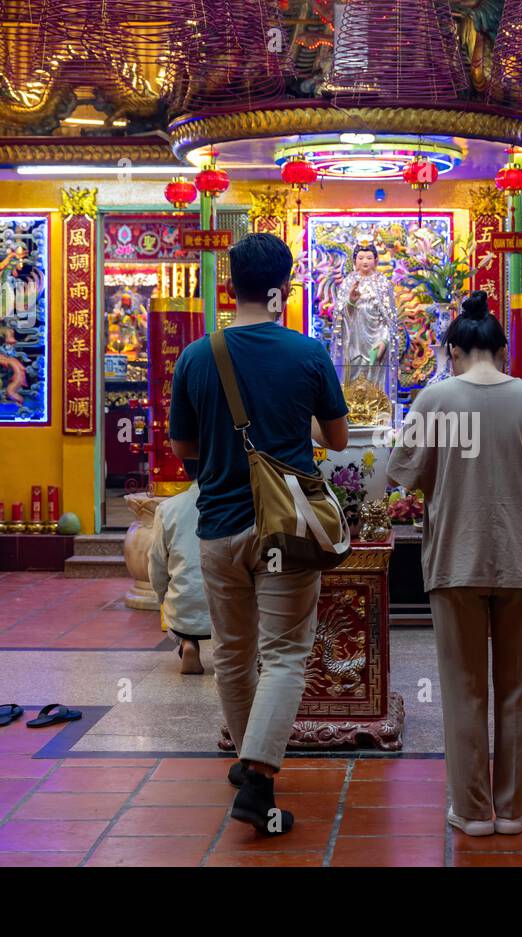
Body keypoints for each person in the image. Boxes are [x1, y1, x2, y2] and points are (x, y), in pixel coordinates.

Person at [169, 233, 349, 835]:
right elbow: (340, 439)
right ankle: (260, 777)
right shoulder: (307, 353)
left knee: (233, 653)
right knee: (285, 653)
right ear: (284, 289)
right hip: (285, 530)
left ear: (229, 287)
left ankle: (248, 765)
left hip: (217, 529)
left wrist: (217, 475)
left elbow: (182, 447)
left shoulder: (196, 357)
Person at [387, 290, 522, 837]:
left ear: (451, 350)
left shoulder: (433, 401)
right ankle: (513, 811)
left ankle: (470, 811)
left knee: (463, 688)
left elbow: (403, 473)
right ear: (503, 348)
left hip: (454, 560)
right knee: (519, 690)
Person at [148, 479, 212, 676]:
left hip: (183, 605)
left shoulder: (168, 508)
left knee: (176, 597)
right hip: (228, 607)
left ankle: (187, 642)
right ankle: (227, 653)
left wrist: (162, 597)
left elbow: (156, 562)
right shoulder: (238, 505)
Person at [333, 242, 396, 387]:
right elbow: (341, 317)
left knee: (375, 378)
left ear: (376, 260)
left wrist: (385, 340)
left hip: (376, 338)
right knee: (355, 379)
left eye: (369, 257)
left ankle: (376, 406)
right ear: (354, 261)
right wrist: (351, 302)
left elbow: (389, 319)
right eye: (360, 258)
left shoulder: (383, 283)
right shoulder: (348, 282)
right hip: (354, 340)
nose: (365, 261)